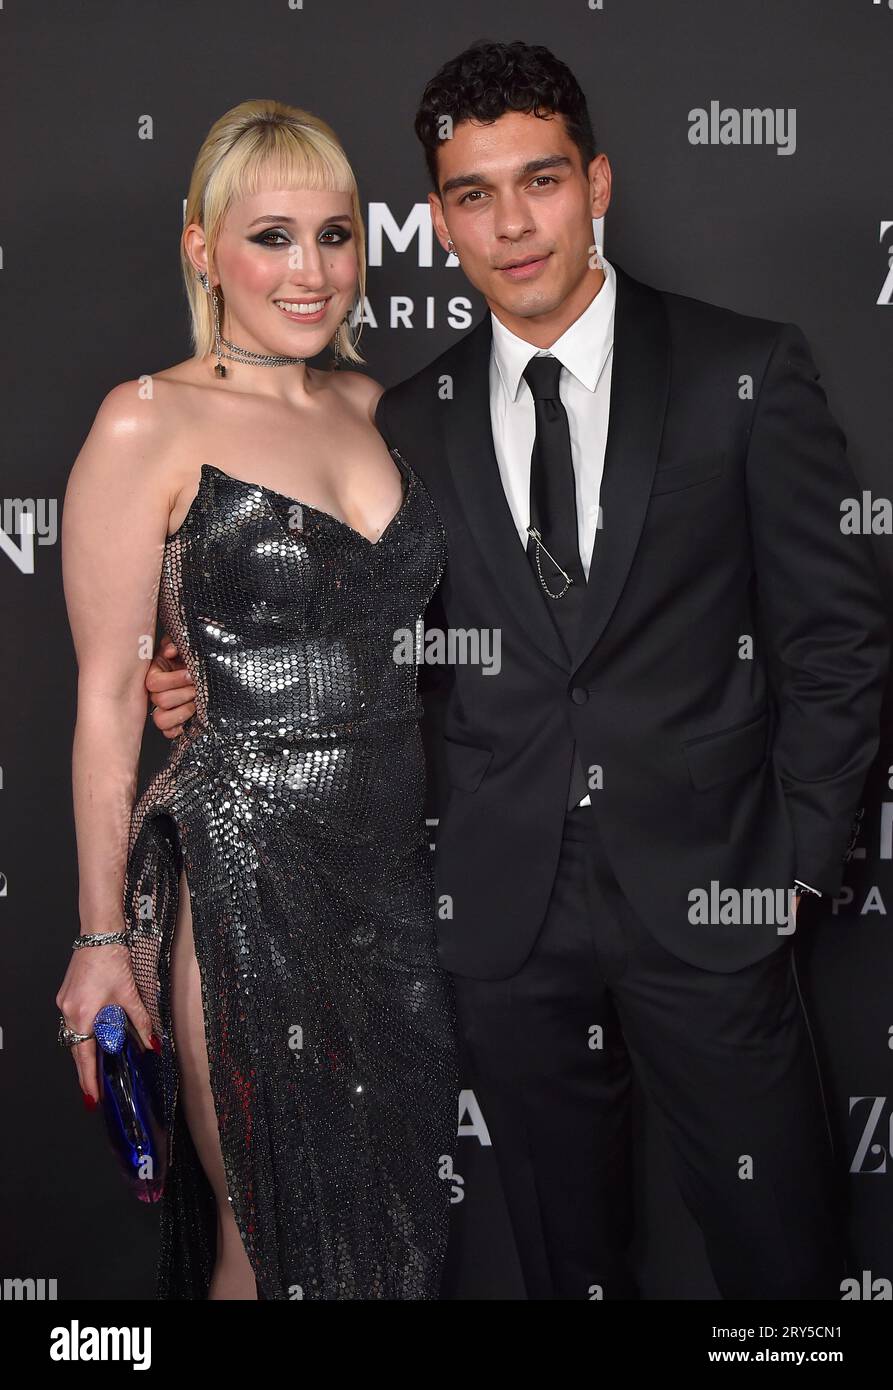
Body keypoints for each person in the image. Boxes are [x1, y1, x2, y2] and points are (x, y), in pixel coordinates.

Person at [147, 43, 890, 1299]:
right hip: (500, 921)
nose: (511, 222)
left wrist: (794, 879)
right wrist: (211, 685)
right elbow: (361, 633)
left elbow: (837, 640)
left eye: (537, 180)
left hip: (714, 904)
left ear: (594, 182)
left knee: (784, 1264)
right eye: (473, 195)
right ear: (437, 221)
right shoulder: (407, 419)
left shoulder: (739, 371)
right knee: (563, 1264)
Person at [56, 98, 458, 1301]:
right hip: (244, 875)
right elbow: (106, 701)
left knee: (390, 1245)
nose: (311, 270)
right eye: (271, 236)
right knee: (273, 1243)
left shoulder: (383, 409)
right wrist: (98, 939)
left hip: (393, 882)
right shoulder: (148, 418)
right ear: (201, 249)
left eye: (335, 236)